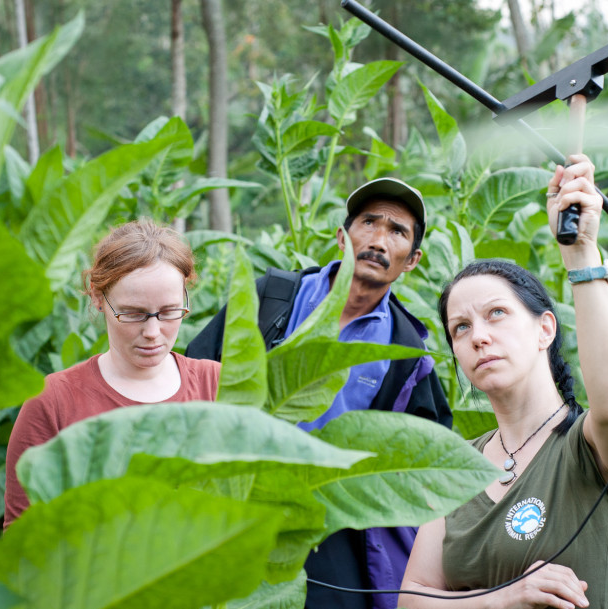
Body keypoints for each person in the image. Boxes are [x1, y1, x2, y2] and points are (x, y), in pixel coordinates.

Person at [186, 177, 451, 609]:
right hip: (236, 504)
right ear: (341, 236)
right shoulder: (273, 299)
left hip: (329, 527)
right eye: (368, 223)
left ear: (412, 261)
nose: (379, 240)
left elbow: (425, 450)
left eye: (397, 231)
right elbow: (193, 376)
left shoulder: (407, 350)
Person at [400, 154, 608, 609]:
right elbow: (411, 601)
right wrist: (504, 599)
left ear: (545, 329)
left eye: (497, 313)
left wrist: (580, 252)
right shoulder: (457, 465)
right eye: (461, 327)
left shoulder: (588, 448)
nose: (479, 337)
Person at [3, 219, 220, 527]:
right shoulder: (53, 401)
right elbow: (23, 535)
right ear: (97, 297)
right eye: (133, 313)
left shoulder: (218, 385)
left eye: (170, 311)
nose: (153, 332)